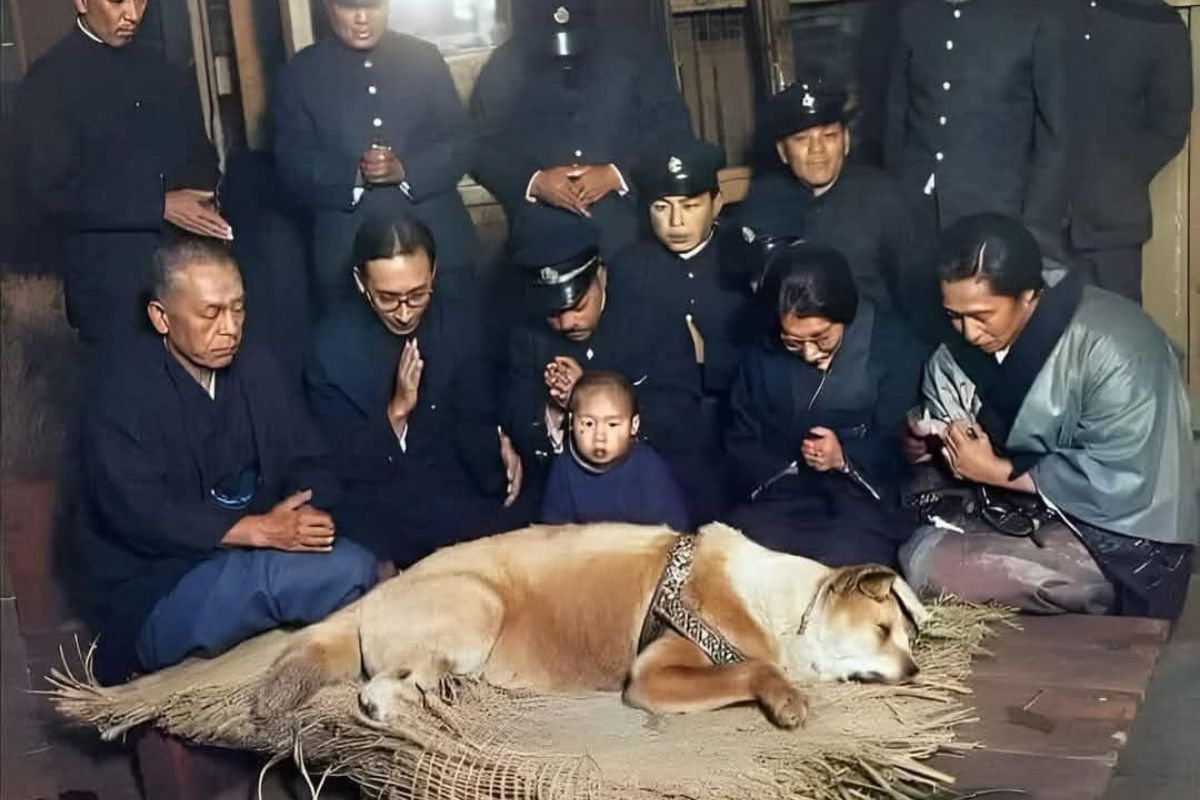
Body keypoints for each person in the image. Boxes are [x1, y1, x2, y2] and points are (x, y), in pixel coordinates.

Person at [77, 237, 377, 686]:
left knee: (359, 555)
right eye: (210, 313)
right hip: (161, 583)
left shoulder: (254, 362)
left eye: (238, 309)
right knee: (345, 572)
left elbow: (307, 453)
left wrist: (307, 511)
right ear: (161, 317)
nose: (230, 327)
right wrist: (257, 531)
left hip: (254, 552)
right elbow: (138, 513)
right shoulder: (120, 393)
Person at [899, 213, 1196, 619]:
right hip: (1030, 511)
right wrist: (924, 442)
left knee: (926, 564)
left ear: (1028, 294)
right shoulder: (955, 354)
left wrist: (994, 471)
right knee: (912, 535)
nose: (968, 333)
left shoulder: (1117, 344)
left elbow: (1124, 481)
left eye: (982, 316)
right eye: (955, 316)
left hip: (1126, 536)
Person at [305, 216, 528, 568]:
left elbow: (478, 402)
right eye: (388, 298)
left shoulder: (460, 318)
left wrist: (501, 440)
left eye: (417, 294)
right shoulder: (331, 350)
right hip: (382, 492)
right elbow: (339, 465)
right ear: (361, 282)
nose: (405, 312)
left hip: (454, 478)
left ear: (434, 273)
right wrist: (396, 412)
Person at [15, 0, 231, 344]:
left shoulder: (165, 71)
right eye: (117, 1)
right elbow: (51, 193)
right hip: (110, 290)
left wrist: (205, 195)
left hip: (184, 275)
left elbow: (201, 154)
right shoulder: (49, 81)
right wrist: (158, 205)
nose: (132, 13)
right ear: (82, 2)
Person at [504, 211, 717, 524]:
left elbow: (680, 405)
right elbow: (515, 411)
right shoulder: (527, 334)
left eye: (578, 305)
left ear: (601, 275)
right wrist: (556, 413)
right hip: (568, 492)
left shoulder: (651, 317)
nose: (566, 323)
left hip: (653, 483)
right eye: (553, 312)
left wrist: (590, 398)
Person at [723, 245, 925, 568]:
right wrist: (787, 467)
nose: (809, 354)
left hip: (863, 497)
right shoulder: (762, 352)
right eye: (792, 341)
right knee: (742, 551)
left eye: (821, 338)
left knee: (844, 560)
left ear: (845, 312)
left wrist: (843, 457)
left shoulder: (893, 346)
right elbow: (742, 433)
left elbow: (900, 443)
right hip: (782, 492)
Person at [273, 0, 478, 309]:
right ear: (329, 7)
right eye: (349, 8)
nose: (361, 19)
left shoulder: (424, 58)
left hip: (441, 245)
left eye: (373, 6)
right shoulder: (301, 73)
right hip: (346, 254)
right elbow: (291, 166)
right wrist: (353, 175)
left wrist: (407, 170)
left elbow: (462, 144)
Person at [469, 0, 693, 256]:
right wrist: (535, 181)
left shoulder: (638, 53)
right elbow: (480, 145)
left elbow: (674, 132)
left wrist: (616, 174)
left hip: (630, 234)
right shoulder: (506, 64)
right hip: (544, 241)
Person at [884, 0, 1072, 261]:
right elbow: (897, 115)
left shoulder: (1037, 19)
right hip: (917, 216)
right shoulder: (914, 14)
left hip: (998, 218)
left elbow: (1056, 140)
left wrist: (1034, 230)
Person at [738, 80, 926, 318]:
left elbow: (915, 295)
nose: (817, 150)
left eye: (829, 136)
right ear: (782, 151)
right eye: (802, 139)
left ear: (845, 141)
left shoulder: (882, 197)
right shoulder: (762, 204)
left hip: (872, 344)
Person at [1068, 0, 1193, 304]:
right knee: (1030, 343)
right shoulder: (1028, 12)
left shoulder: (1156, 21)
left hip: (1110, 227)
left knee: (1117, 337)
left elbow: (1169, 127)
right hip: (1027, 222)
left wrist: (1114, 178)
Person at [621, 137, 746, 395]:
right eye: (661, 207)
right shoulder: (627, 269)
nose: (676, 222)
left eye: (689, 206)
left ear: (717, 203)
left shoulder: (745, 259)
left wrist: (708, 360)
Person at [540, 370, 690, 531]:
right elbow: (551, 537)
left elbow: (678, 535)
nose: (599, 436)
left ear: (634, 425)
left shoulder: (650, 466)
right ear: (571, 422)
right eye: (588, 424)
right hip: (582, 553)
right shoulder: (563, 467)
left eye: (612, 425)